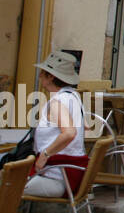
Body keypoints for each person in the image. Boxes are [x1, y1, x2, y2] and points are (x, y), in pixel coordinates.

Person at [26, 51, 86, 197]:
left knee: (7, 183)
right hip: (70, 176)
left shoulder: (57, 102)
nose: (40, 76)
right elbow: (84, 128)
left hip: (56, 179)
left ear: (51, 76)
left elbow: (70, 132)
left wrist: (45, 154)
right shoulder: (74, 96)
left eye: (43, 72)